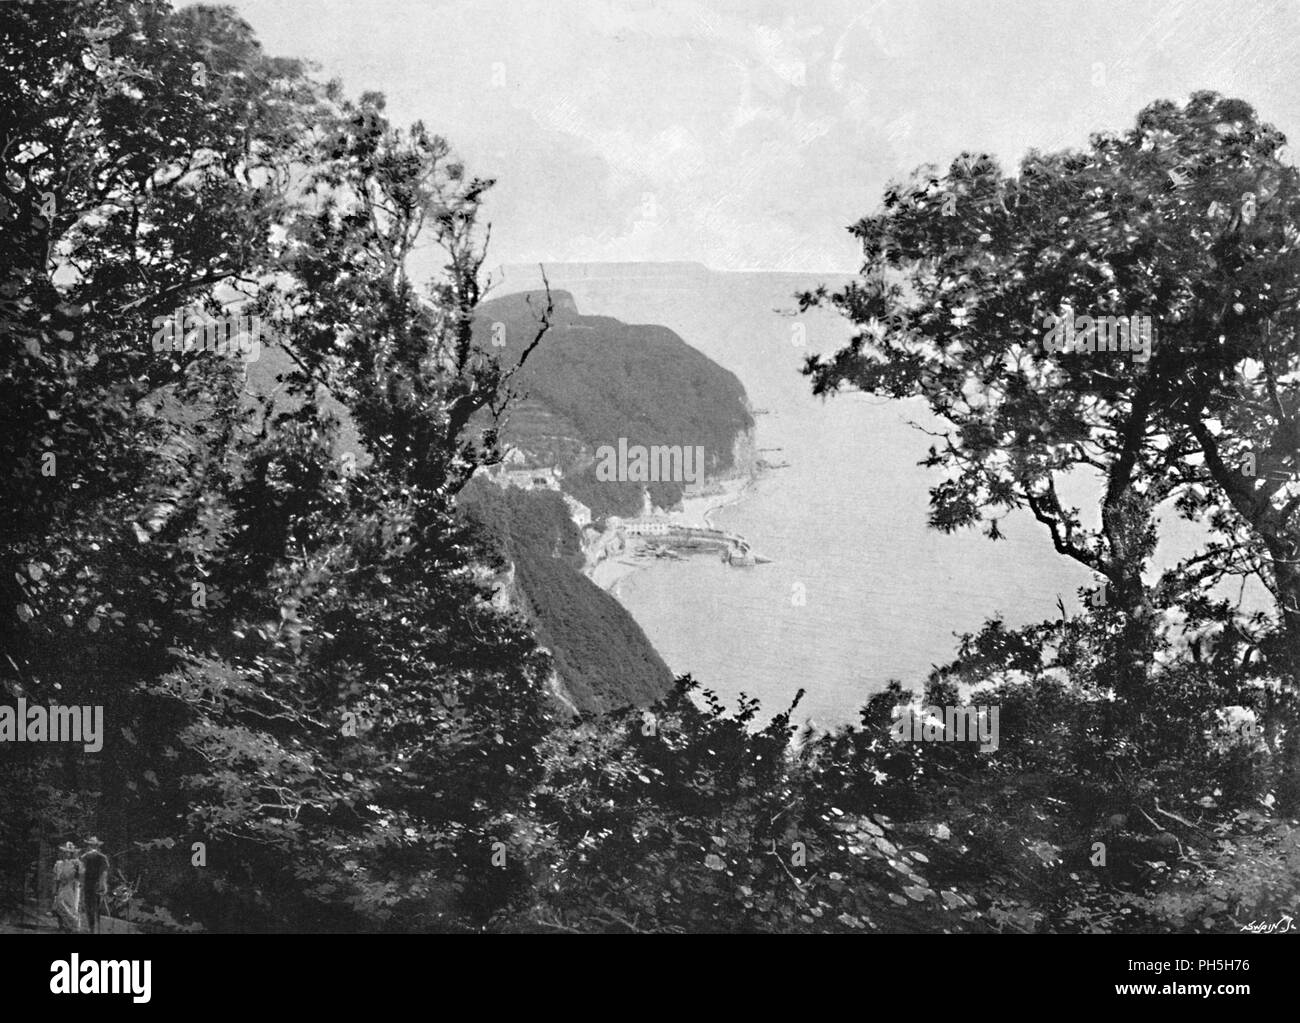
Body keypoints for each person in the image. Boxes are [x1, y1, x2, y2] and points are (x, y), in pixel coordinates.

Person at [80, 836, 109, 934]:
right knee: (89, 906)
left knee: (96, 907)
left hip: (96, 884)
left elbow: (104, 872)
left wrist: (103, 884)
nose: (91, 847)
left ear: (96, 846)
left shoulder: (101, 857)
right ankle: (92, 929)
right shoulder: (85, 857)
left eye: (93, 845)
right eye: (90, 845)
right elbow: (82, 871)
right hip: (89, 884)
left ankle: (95, 929)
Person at [51, 842, 82, 933]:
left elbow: (80, 875)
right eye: (64, 852)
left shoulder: (75, 863)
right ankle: (62, 925)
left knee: (70, 906)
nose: (66, 854)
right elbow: (56, 878)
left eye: (68, 852)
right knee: (59, 904)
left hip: (71, 887)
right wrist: (55, 889)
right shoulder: (58, 863)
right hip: (61, 886)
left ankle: (73, 925)